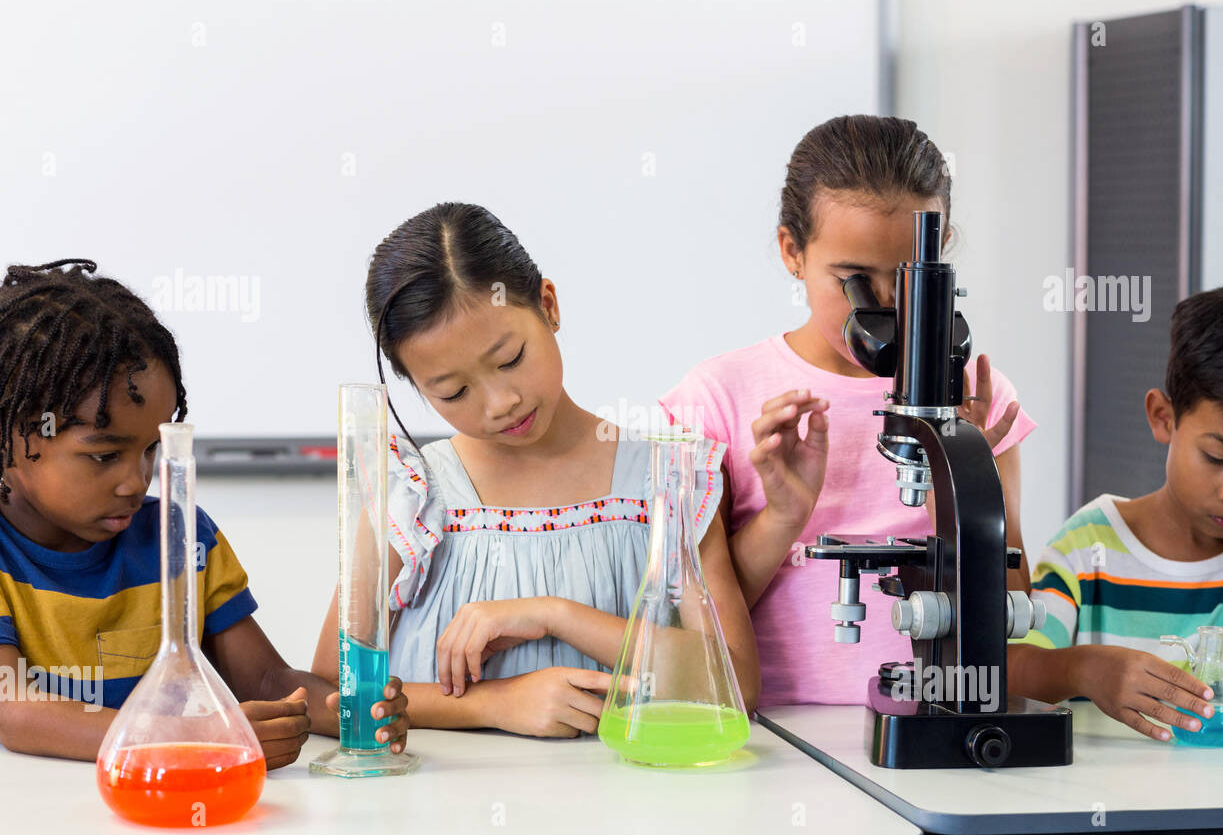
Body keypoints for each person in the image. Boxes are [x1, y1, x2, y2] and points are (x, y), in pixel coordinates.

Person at [311, 203, 760, 737]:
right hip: (444, 811)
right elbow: (330, 692)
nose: (500, 402)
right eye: (453, 392)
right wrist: (492, 704)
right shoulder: (412, 497)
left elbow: (734, 684)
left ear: (548, 306)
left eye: (510, 359)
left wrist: (555, 614)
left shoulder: (668, 481)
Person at [660, 115, 1033, 706]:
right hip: (777, 731)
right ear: (792, 251)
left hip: (935, 712)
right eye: (855, 281)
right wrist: (783, 516)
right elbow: (692, 624)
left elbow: (1008, 619)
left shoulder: (980, 398)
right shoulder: (715, 398)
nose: (883, 309)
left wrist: (964, 479)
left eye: (905, 280)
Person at [0, 259, 408, 767]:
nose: (136, 480)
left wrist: (352, 710)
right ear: (9, 439)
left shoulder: (183, 537)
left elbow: (265, 680)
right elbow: (15, 712)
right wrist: (199, 735)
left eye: (152, 449)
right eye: (104, 455)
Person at [1011, 279, 1223, 740]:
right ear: (1164, 418)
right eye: (1218, 458)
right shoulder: (1091, 547)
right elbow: (1012, 671)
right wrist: (1083, 669)